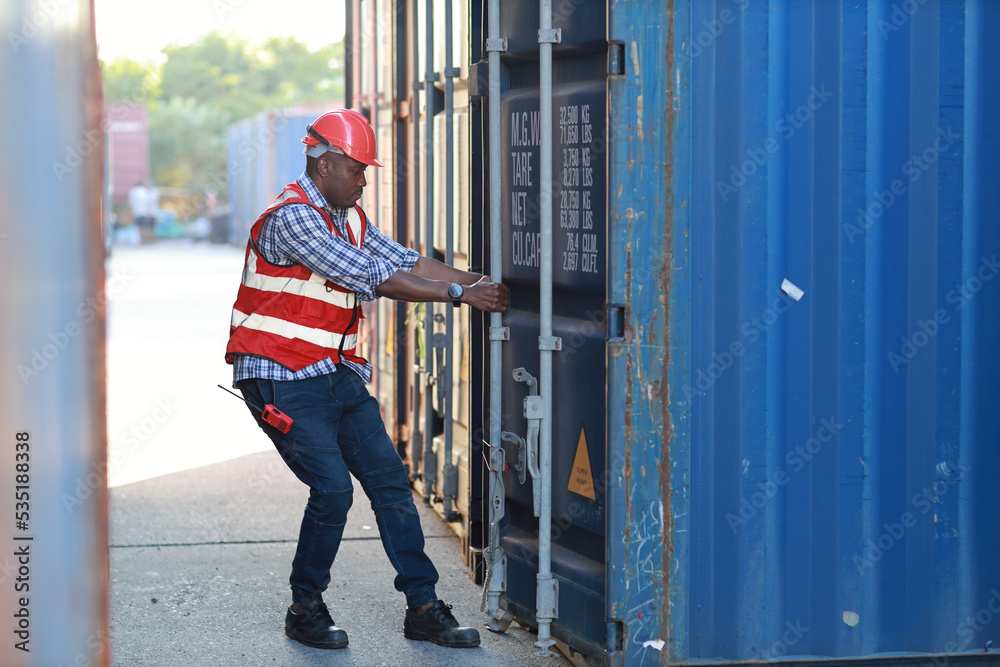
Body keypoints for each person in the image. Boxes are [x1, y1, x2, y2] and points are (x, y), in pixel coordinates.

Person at [225, 109, 509, 650]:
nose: (363, 180)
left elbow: (406, 260)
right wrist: (460, 296)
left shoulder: (348, 217)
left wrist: (478, 282)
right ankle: (304, 607)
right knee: (332, 490)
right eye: (356, 170)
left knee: (390, 485)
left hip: (336, 377)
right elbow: (372, 275)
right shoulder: (293, 218)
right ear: (325, 163)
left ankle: (423, 607)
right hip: (281, 379)